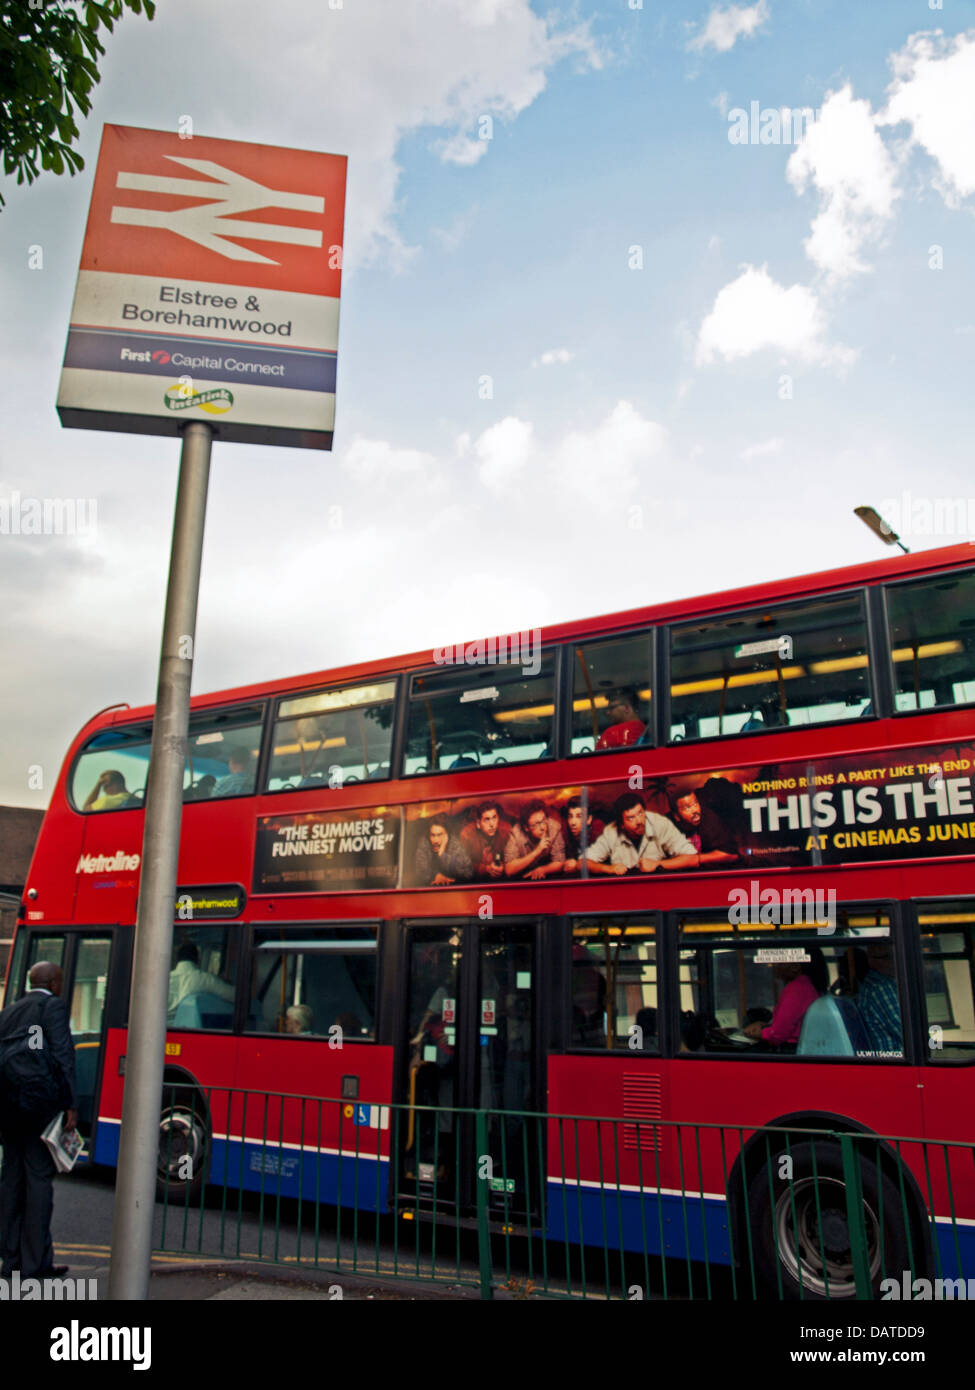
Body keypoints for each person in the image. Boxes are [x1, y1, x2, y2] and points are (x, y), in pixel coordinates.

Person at [0, 962, 78, 1280]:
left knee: (11, 1182)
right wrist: (72, 1104)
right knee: (38, 1183)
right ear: (54, 982)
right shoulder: (53, 1007)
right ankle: (36, 1265)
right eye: (60, 978)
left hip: (8, 1109)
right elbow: (63, 1054)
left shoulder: (11, 1010)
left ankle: (10, 1260)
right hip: (39, 1110)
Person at [586, 791, 699, 874]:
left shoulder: (659, 823)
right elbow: (583, 863)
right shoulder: (611, 831)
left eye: (640, 813)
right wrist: (609, 869)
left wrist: (657, 865)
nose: (639, 821)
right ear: (621, 825)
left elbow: (692, 859)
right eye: (631, 818)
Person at [743, 950, 828, 1048]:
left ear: (795, 966)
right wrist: (766, 1026)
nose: (775, 965)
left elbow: (778, 1034)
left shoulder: (797, 988)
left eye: (781, 961)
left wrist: (754, 1033)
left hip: (790, 1049)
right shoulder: (807, 985)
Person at [668, 788, 739, 864]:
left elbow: (732, 855)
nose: (695, 810)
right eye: (687, 808)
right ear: (676, 816)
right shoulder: (666, 825)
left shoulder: (709, 818)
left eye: (695, 803)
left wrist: (694, 859)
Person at [855, 941, 903, 1052]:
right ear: (872, 961)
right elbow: (907, 1032)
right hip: (896, 1061)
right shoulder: (880, 988)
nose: (895, 961)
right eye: (889, 957)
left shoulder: (879, 984)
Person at [504, 800, 566, 880]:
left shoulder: (554, 828)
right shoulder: (516, 833)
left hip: (548, 876)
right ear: (526, 827)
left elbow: (560, 862)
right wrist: (537, 851)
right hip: (522, 877)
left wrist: (542, 870)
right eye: (536, 824)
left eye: (543, 820)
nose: (543, 827)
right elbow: (509, 870)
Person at [168, 942, 235, 1015]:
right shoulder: (204, 978)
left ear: (177, 959)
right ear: (197, 959)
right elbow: (233, 995)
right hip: (189, 1025)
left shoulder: (164, 979)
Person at [414, 816, 472, 887]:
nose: (435, 840)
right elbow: (420, 869)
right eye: (433, 835)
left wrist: (442, 855)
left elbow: (468, 872)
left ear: (447, 835)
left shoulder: (455, 844)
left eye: (439, 835)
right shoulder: (425, 842)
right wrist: (435, 876)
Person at [460, 801, 511, 879]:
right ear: (478, 823)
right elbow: (462, 864)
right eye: (487, 820)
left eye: (494, 817)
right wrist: (485, 869)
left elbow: (513, 858)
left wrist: (503, 866)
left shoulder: (507, 830)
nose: (492, 824)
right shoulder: (467, 835)